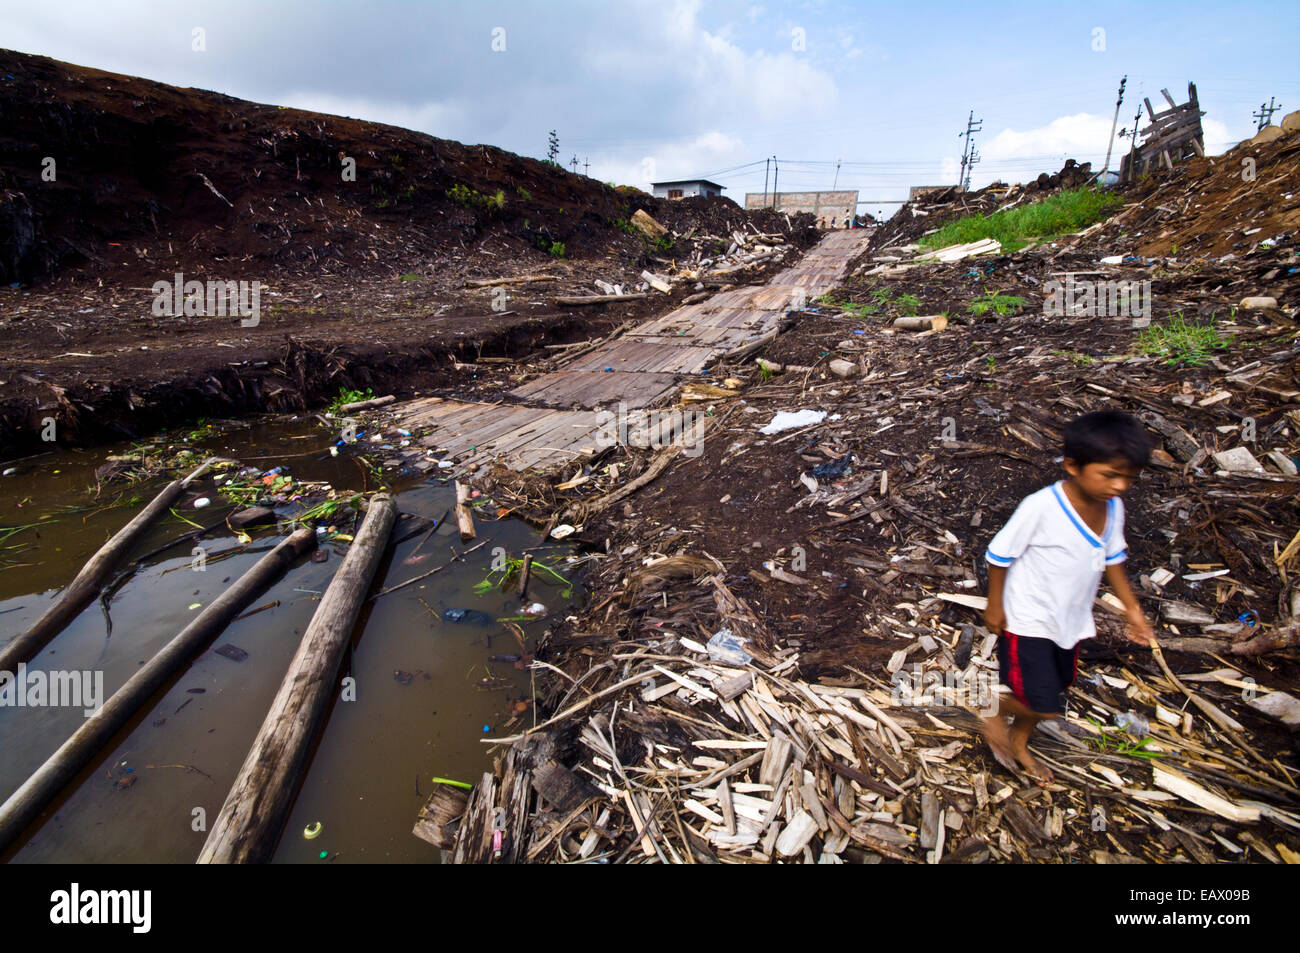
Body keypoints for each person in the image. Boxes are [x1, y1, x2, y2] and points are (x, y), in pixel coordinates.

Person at [980, 410, 1156, 785]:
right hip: (1028, 619)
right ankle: (992, 710)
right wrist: (994, 605)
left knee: (1054, 689)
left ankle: (1019, 740)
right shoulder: (1041, 507)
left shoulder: (1112, 508)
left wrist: (1132, 610)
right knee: (1040, 701)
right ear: (1074, 466)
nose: (1121, 486)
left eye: (1128, 477)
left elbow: (1113, 560)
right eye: (1110, 475)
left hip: (1069, 622)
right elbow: (998, 555)